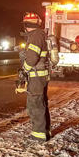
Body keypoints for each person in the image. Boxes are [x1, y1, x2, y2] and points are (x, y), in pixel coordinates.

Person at [20, 11, 51, 142]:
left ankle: (38, 135)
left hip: (36, 76)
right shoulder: (39, 34)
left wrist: (24, 70)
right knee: (41, 103)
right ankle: (45, 131)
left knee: (35, 104)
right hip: (40, 75)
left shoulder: (35, 36)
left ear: (25, 25)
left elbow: (32, 58)